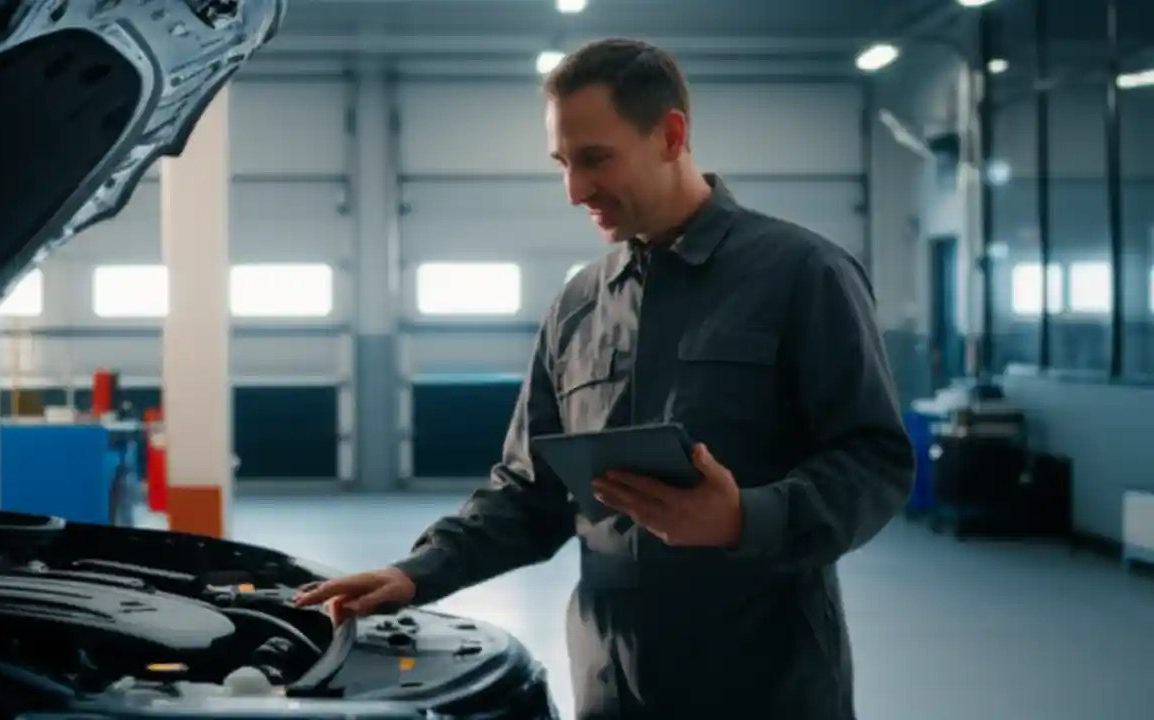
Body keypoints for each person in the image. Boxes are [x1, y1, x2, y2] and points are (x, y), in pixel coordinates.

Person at [295, 37, 915, 719]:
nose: (573, 191)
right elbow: (530, 493)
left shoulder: (803, 274)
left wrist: (746, 517)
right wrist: (417, 573)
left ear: (671, 135)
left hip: (763, 680)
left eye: (594, 159)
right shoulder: (577, 304)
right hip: (609, 682)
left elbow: (874, 461)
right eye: (563, 163)